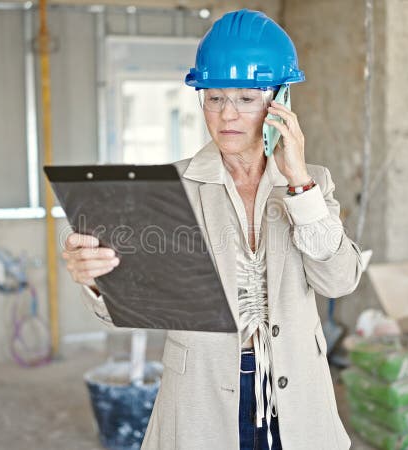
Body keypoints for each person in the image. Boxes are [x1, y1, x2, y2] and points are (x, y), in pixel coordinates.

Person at [62, 9, 363, 450]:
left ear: (280, 102)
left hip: (296, 393)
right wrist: (94, 277)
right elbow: (126, 306)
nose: (227, 115)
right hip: (201, 394)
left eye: (246, 98)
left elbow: (339, 280)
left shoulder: (311, 183)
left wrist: (299, 183)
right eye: (214, 97)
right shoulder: (171, 188)